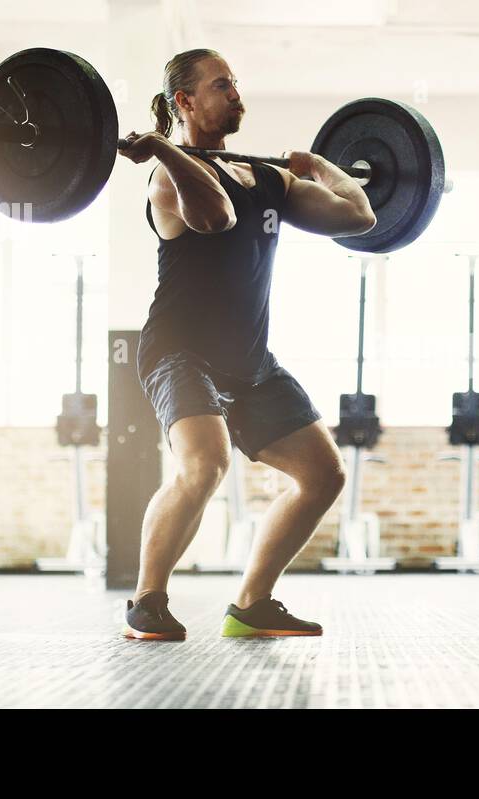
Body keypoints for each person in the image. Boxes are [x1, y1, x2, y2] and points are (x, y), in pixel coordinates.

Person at [117, 49, 376, 639]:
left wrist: (317, 165)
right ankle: (145, 603)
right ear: (185, 101)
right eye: (222, 85)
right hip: (180, 352)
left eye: (236, 84)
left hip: (250, 359)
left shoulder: (269, 178)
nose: (237, 94)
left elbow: (358, 217)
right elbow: (215, 219)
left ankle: (252, 605)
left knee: (323, 475)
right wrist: (162, 149)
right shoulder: (166, 178)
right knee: (205, 463)